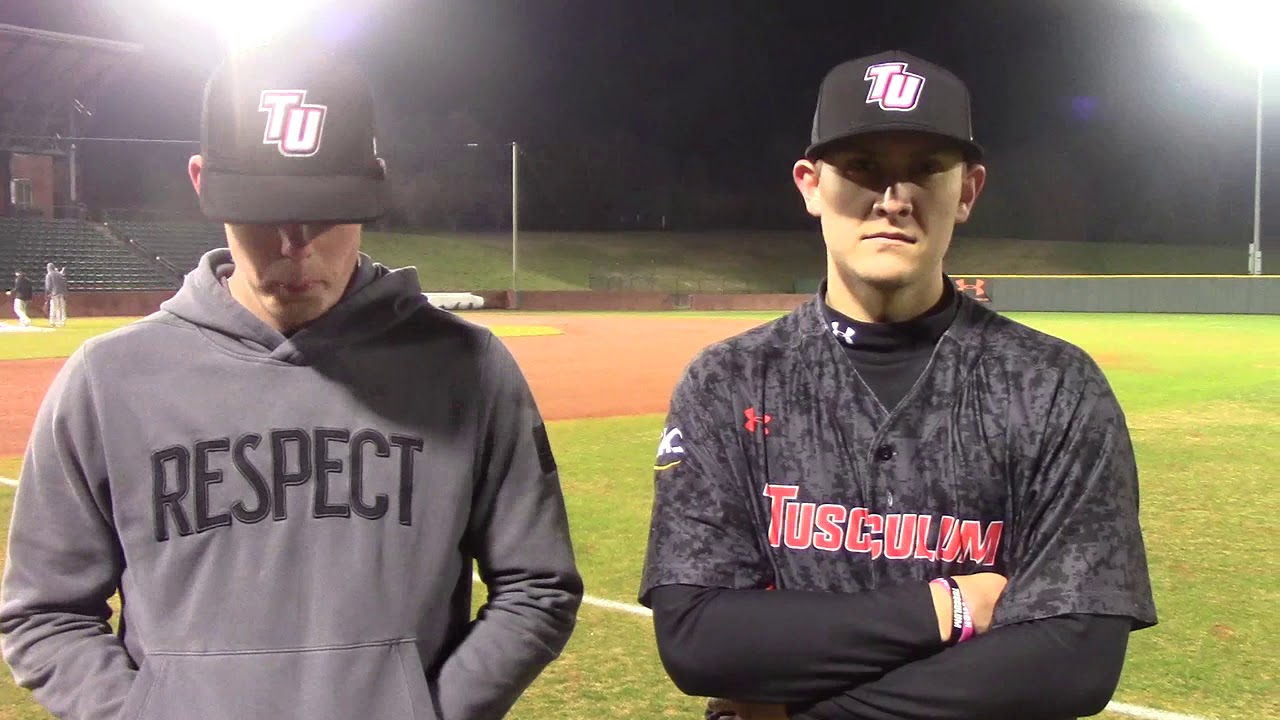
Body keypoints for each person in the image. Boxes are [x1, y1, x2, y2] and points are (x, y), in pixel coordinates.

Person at [1, 42, 582, 720]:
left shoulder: (470, 369)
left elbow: (537, 585)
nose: (294, 244)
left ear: (373, 184)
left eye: (325, 212)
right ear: (200, 180)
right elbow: (45, 613)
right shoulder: (107, 381)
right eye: (263, 210)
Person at [639, 50, 1157, 720]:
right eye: (862, 168)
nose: (893, 198)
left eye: (924, 169)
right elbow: (699, 642)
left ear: (967, 190)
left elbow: (1075, 659)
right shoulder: (729, 382)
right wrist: (949, 608)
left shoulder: (1053, 386)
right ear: (810, 184)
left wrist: (798, 711)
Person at [43, 262, 68, 327]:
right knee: (62, 308)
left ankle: (55, 321)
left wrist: (48, 293)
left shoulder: (49, 275)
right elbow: (64, 284)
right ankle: (62, 321)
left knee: (55, 308)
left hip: (54, 293)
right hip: (61, 293)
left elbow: (48, 286)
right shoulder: (59, 274)